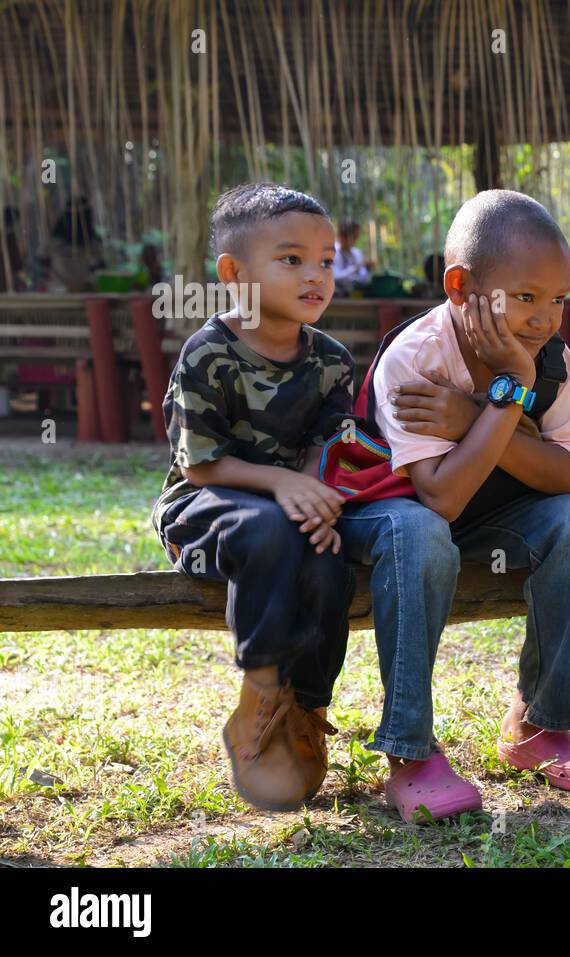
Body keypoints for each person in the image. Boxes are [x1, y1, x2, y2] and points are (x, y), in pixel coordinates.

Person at [329, 189, 570, 823]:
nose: (545, 319)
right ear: (459, 286)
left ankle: (541, 725)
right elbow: (441, 493)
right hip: (396, 516)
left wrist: (483, 412)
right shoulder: (416, 356)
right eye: (525, 297)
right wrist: (510, 403)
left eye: (558, 299)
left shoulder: (550, 361)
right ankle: (410, 752)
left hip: (488, 519)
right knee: (422, 531)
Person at [150, 183, 356, 810]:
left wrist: (322, 502)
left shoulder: (331, 362)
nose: (316, 274)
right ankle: (260, 691)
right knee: (267, 529)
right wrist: (284, 484)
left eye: (326, 259)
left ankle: (307, 706)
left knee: (327, 559)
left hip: (294, 509)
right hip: (204, 508)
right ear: (235, 274)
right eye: (291, 259)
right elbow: (201, 465)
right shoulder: (209, 354)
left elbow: (332, 453)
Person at [332, 218, 372, 291]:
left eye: (356, 237)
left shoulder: (357, 253)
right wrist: (354, 268)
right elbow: (334, 277)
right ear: (342, 236)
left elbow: (363, 279)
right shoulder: (332, 252)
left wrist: (368, 268)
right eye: (354, 237)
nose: (356, 240)